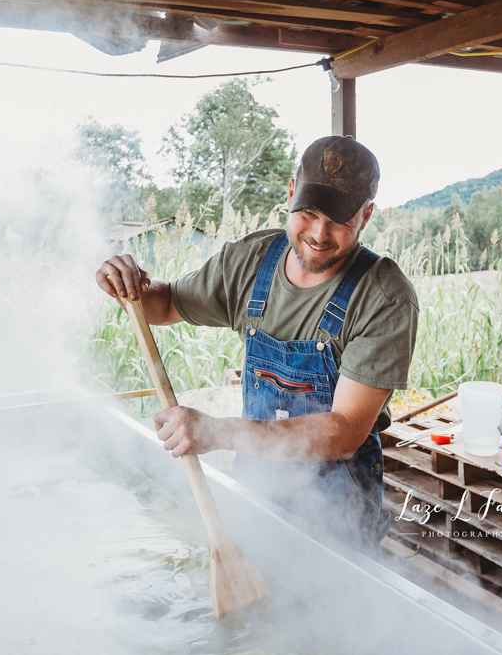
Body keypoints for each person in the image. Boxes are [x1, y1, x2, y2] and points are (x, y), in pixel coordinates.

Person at [95, 135, 418, 551]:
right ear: (290, 193)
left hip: (338, 522)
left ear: (366, 216)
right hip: (255, 497)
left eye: (340, 220)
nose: (320, 233)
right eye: (309, 211)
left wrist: (216, 431)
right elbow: (167, 304)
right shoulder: (251, 261)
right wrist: (128, 282)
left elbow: (343, 433)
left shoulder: (384, 297)